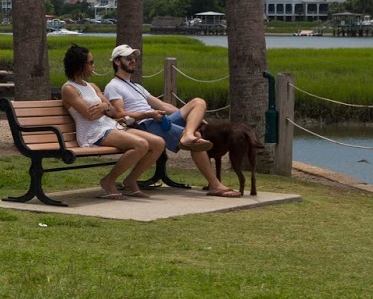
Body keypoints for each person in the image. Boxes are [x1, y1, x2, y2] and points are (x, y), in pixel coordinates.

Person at [104, 44, 241, 197]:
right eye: (128, 58)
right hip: (145, 125)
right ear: (117, 61)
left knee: (198, 102)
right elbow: (120, 114)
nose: (133, 61)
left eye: (134, 58)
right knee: (196, 140)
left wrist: (193, 117)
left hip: (158, 119)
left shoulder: (136, 86)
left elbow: (162, 105)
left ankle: (188, 133)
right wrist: (148, 114)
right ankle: (215, 185)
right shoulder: (113, 86)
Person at [60, 43, 165, 199]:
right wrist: (105, 108)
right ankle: (108, 181)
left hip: (110, 125)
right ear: (79, 65)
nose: (93, 65)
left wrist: (104, 107)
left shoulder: (92, 86)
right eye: (90, 62)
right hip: (93, 132)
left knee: (158, 143)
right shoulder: (69, 89)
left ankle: (131, 180)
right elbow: (89, 115)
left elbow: (113, 111)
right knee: (140, 144)